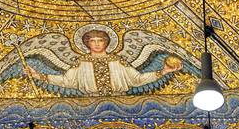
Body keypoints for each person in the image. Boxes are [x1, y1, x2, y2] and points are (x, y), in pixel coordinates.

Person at [25, 28, 179, 95]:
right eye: (93, 41)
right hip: (89, 102)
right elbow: (66, 81)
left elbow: (137, 79)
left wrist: (164, 71)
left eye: (100, 40)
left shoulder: (117, 60)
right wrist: (38, 75)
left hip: (119, 100)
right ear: (87, 43)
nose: (97, 44)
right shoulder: (81, 62)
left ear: (106, 42)